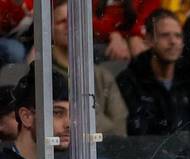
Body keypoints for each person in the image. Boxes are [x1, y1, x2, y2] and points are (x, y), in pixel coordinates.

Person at [41, 0, 130, 136]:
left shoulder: (101, 75)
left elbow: (120, 126)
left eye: (74, 21)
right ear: (50, 29)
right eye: (62, 21)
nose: (69, 26)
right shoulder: (43, 74)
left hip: (106, 151)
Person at [117, 8, 190, 135]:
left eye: (178, 36)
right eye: (165, 35)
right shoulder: (129, 81)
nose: (173, 42)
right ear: (149, 39)